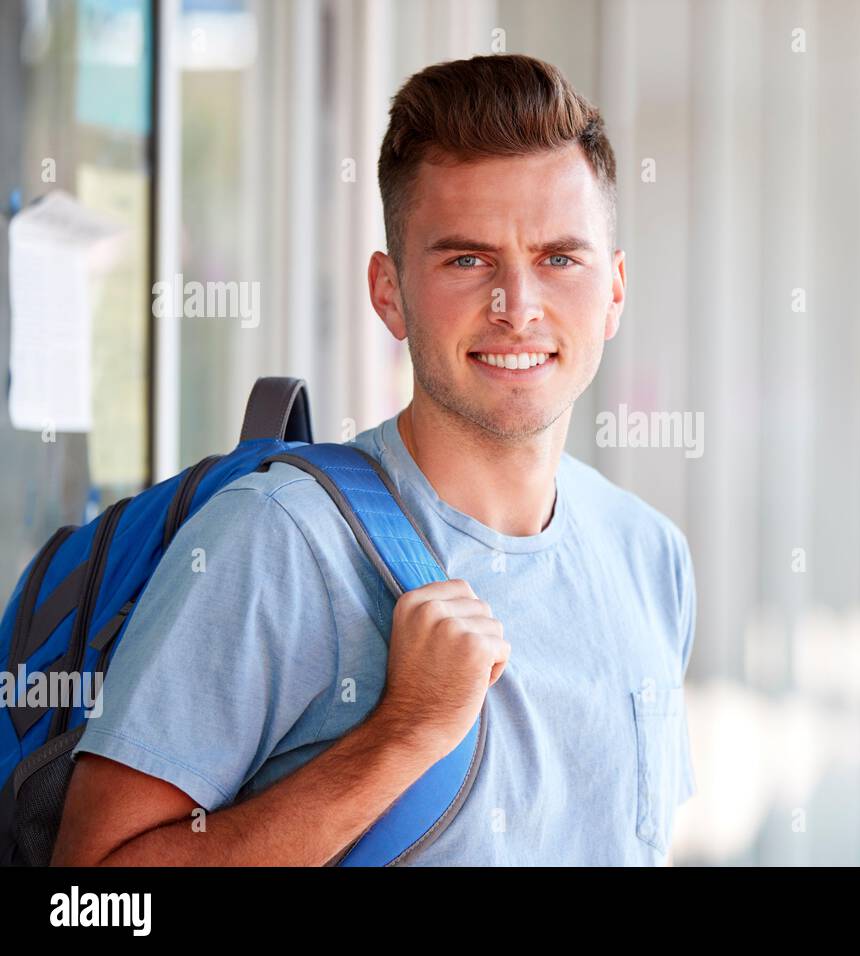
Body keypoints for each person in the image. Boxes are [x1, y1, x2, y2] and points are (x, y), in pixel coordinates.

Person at [51, 53, 697, 866]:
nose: (517, 307)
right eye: (467, 260)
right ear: (388, 293)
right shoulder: (276, 545)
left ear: (614, 291)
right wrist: (400, 736)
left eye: (560, 258)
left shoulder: (650, 558)